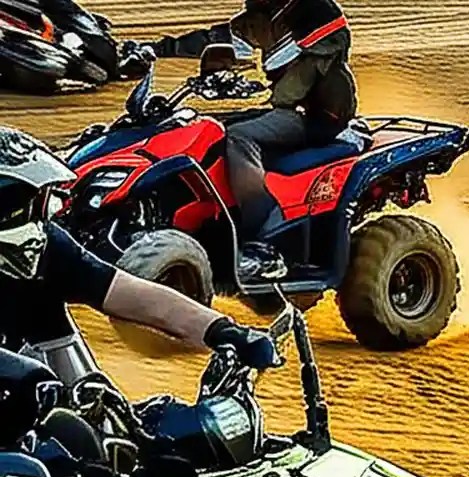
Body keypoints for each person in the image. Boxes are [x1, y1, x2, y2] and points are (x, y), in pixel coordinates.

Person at [0, 126, 278, 386]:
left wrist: (220, 330)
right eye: (30, 205)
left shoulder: (47, 248)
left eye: (39, 204)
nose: (42, 217)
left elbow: (128, 293)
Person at [143, 0, 358, 281]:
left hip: (317, 115)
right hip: (289, 107)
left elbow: (300, 81)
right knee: (209, 128)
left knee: (239, 136)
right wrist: (157, 49)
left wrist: (252, 92)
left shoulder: (315, 10)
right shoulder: (264, 16)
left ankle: (263, 235)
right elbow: (219, 38)